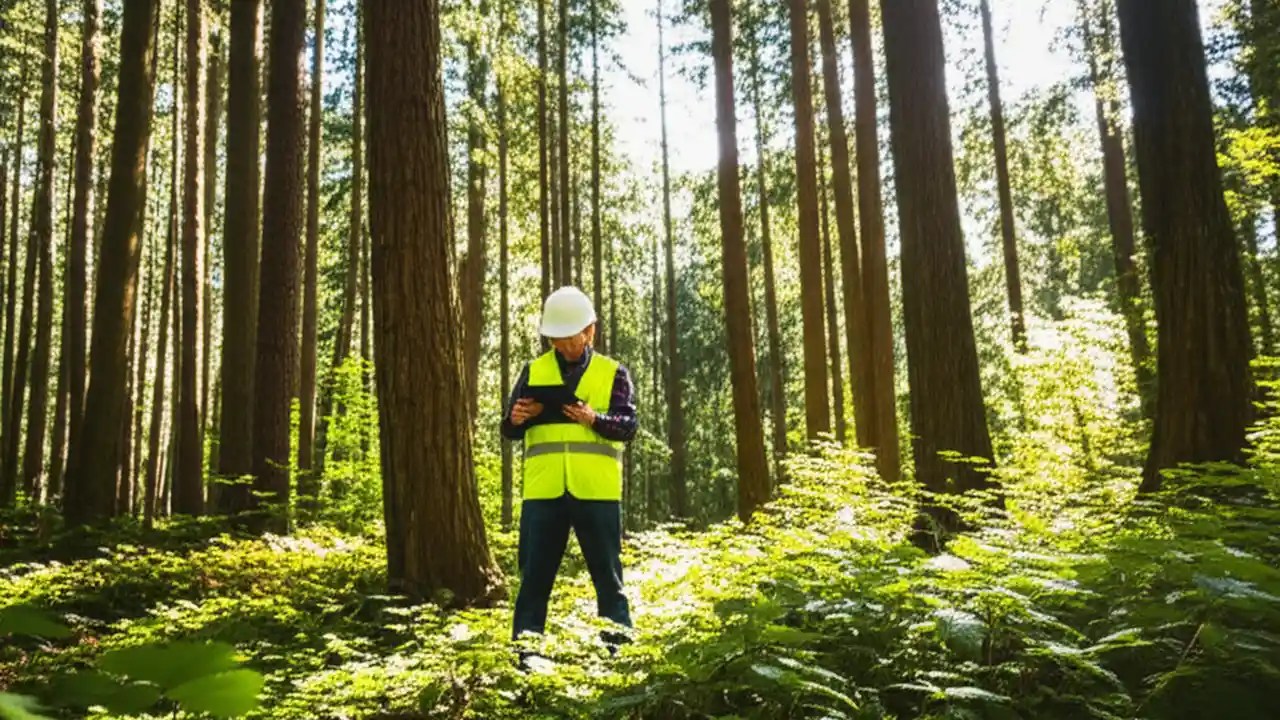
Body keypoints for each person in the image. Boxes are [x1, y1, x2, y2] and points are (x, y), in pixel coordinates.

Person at [501, 286, 636, 652]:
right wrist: (518, 418)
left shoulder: (614, 374)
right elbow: (509, 429)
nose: (561, 346)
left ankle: (619, 653)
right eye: (555, 339)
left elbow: (628, 427)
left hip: (597, 494)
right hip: (543, 494)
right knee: (533, 581)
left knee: (608, 581)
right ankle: (527, 657)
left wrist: (595, 419)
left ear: (589, 331)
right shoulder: (534, 371)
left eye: (568, 338)